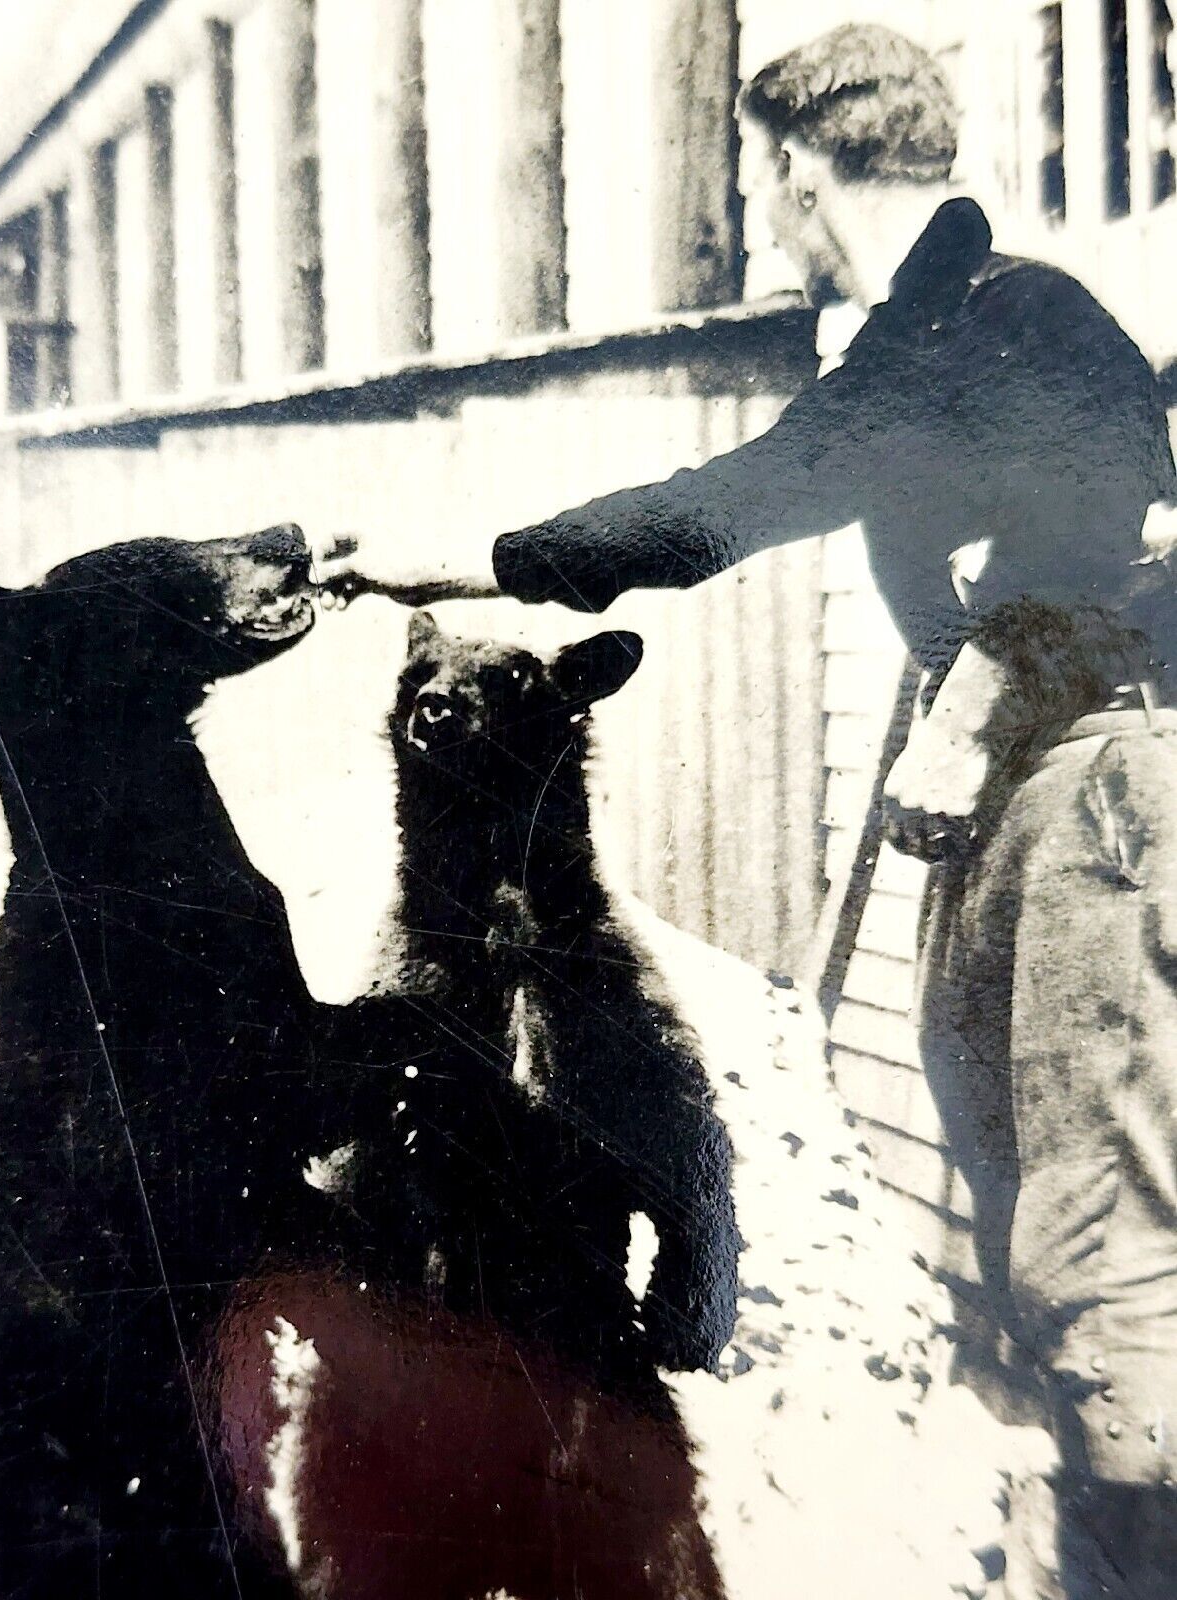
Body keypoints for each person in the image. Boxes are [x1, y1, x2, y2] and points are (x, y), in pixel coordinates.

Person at [315, 23, 1177, 1598]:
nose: (767, 221)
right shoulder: (908, 349)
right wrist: (455, 562)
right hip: (1019, 811)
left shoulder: (1025, 314)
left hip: (1091, 792)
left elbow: (1100, 522)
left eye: (764, 188)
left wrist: (970, 718)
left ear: (794, 169)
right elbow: (714, 513)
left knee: (1099, 1243)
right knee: (1023, 1218)